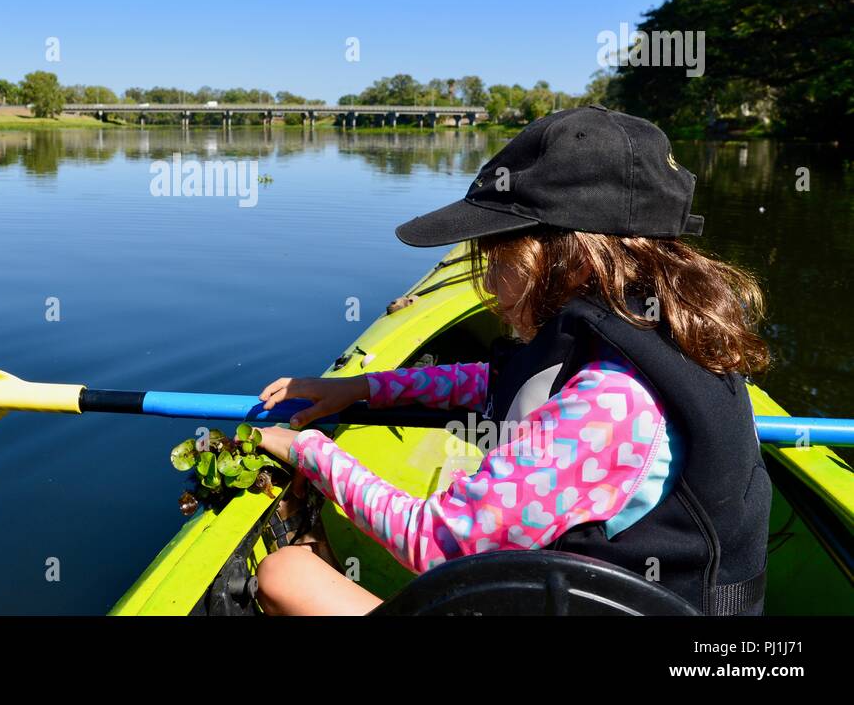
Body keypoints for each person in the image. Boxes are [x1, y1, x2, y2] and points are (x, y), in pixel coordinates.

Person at [252, 105, 772, 615]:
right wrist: (364, 389)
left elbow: (437, 543)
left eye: (499, 262)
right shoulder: (649, 327)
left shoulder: (610, 402)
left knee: (285, 576)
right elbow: (499, 382)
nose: (487, 286)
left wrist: (309, 452)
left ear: (565, 257)